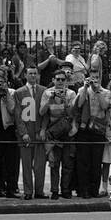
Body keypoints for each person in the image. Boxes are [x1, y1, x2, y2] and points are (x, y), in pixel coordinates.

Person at [73, 71, 111, 197]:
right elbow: (79, 104)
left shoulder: (106, 92)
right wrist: (85, 87)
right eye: (92, 78)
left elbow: (104, 106)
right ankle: (83, 190)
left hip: (98, 130)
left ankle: (94, 189)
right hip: (84, 128)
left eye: (96, 78)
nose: (94, 80)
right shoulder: (82, 90)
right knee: (84, 161)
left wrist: (97, 91)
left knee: (96, 162)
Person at [40, 70, 77, 199]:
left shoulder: (71, 93)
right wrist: (51, 99)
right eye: (58, 79)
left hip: (67, 132)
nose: (60, 82)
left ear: (66, 81)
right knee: (54, 164)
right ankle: (54, 190)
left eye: (63, 79)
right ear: (54, 80)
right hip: (53, 132)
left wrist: (65, 101)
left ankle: (65, 190)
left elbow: (73, 114)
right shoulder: (47, 92)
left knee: (67, 164)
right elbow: (42, 112)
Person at [14, 67, 48, 199]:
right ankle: (28, 191)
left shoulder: (44, 90)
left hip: (39, 132)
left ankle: (39, 191)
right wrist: (23, 133)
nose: (33, 76)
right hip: (26, 133)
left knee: (40, 165)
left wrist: (43, 129)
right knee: (27, 165)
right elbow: (17, 115)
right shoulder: (19, 92)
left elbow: (46, 114)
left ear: (38, 75)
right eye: (30, 73)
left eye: (35, 73)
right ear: (25, 75)